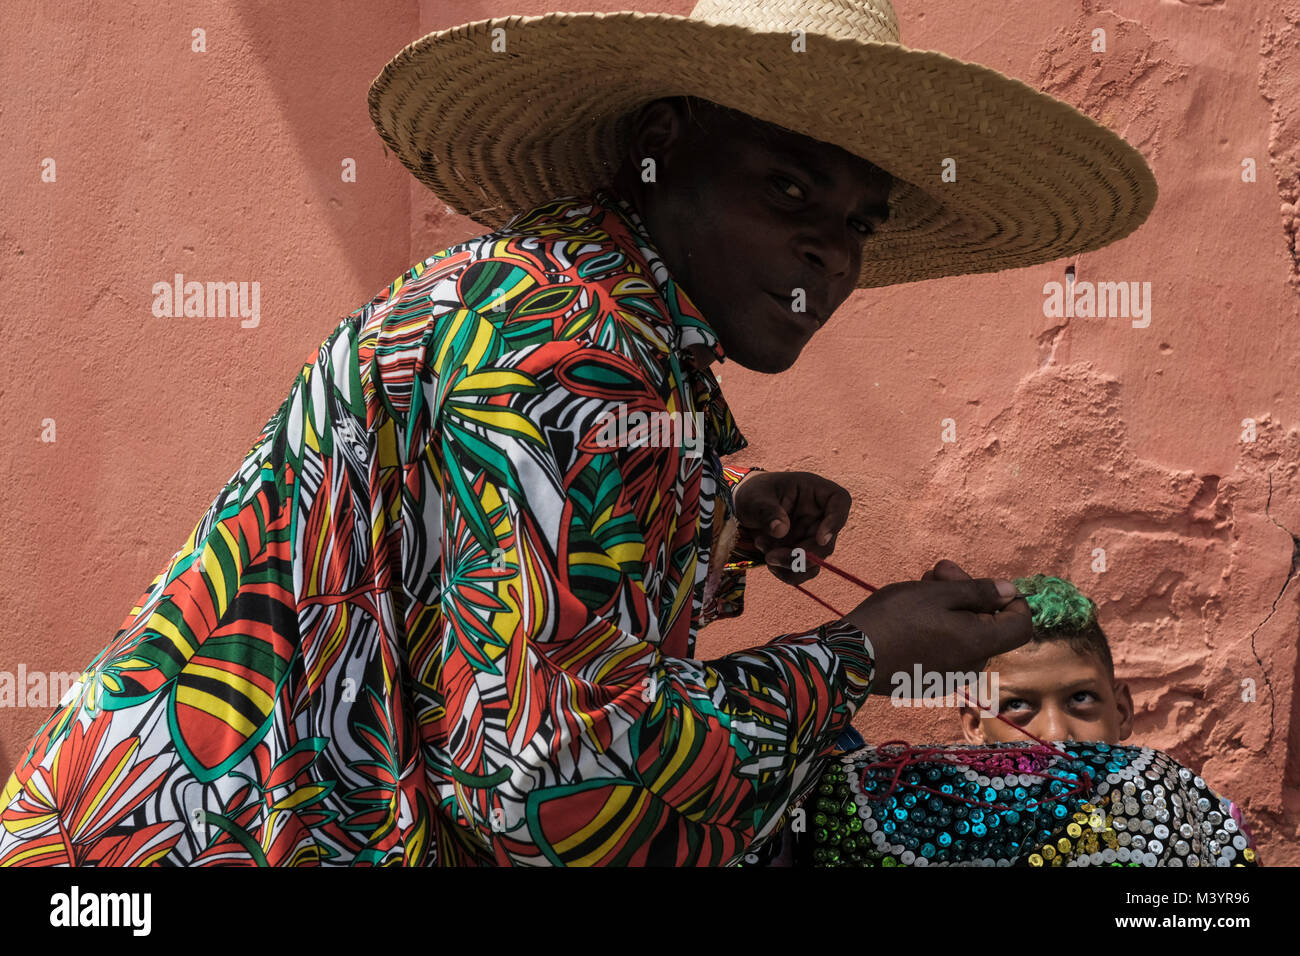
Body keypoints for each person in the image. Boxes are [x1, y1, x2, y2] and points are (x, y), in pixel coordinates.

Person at [0, 0, 1157, 866]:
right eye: (790, 193)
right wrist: (860, 653)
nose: (829, 256)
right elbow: (552, 791)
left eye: (856, 222)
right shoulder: (570, 351)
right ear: (664, 140)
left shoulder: (564, 302)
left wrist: (722, 530)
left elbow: (487, 590)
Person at [765, 570, 1262, 867]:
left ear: (1124, 709)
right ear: (974, 724)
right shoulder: (893, 813)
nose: (1054, 734)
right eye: (1017, 706)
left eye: (1081, 699)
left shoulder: (1181, 811)